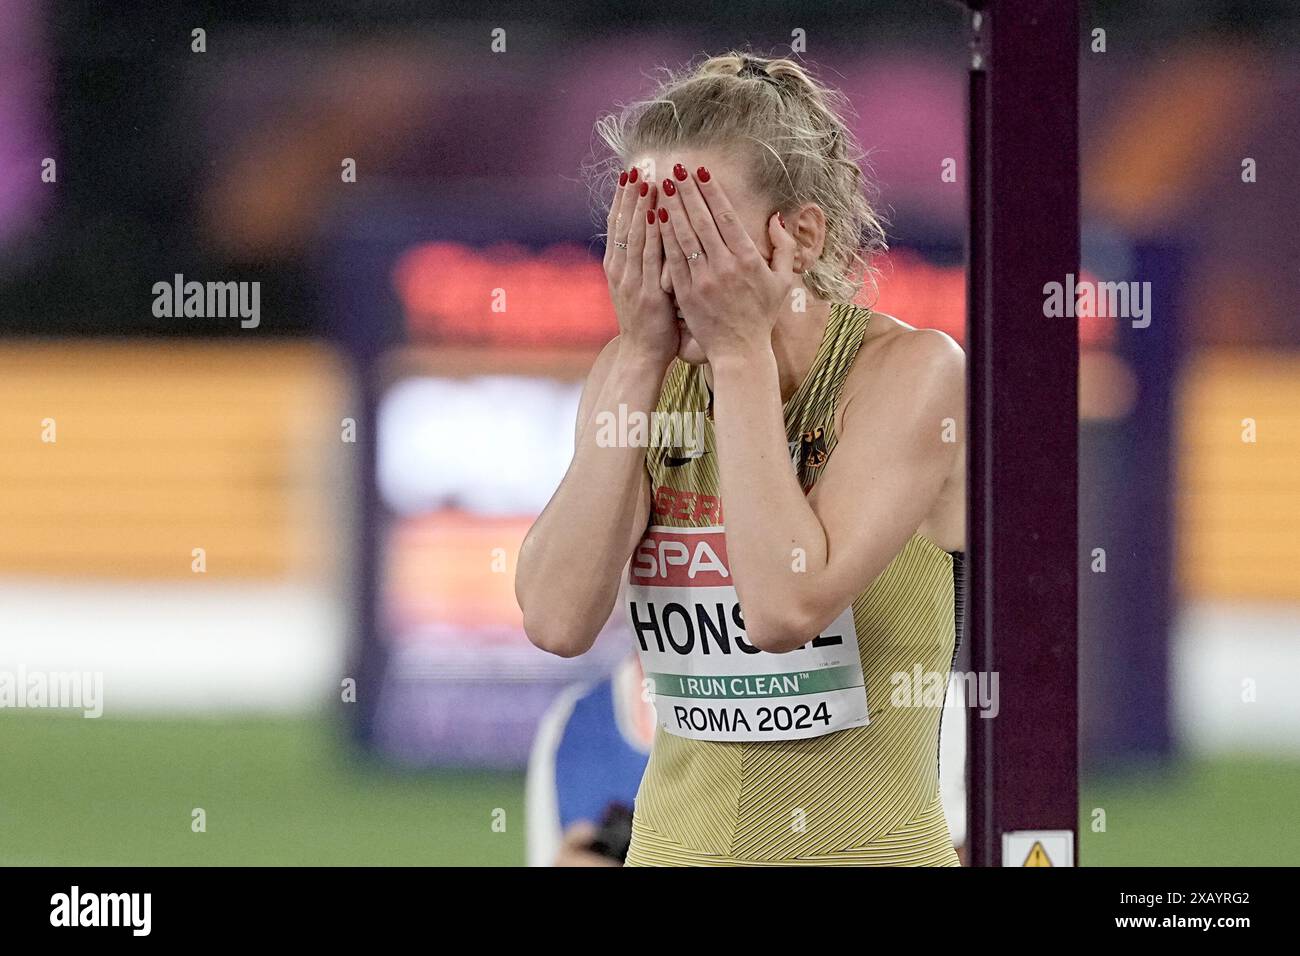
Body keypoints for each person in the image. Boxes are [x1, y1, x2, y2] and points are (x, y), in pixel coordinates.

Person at [515, 53, 966, 866]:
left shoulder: (912, 374)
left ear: (797, 235)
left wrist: (740, 357)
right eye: (649, 236)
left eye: (700, 237)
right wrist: (642, 359)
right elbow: (555, 619)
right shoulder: (637, 376)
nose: (669, 272)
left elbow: (784, 611)